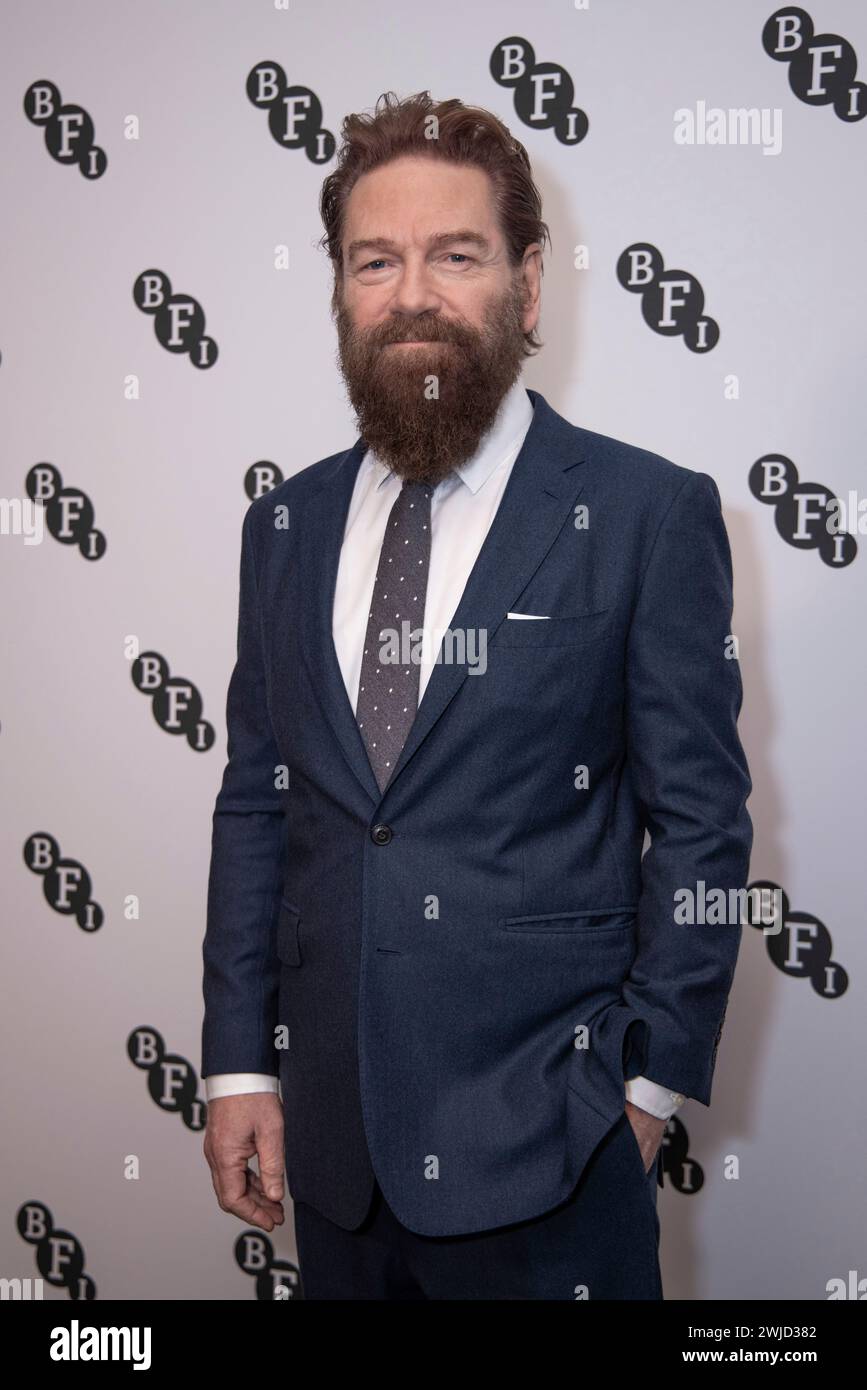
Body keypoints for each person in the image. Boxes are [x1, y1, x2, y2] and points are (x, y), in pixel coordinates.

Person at [201, 90, 753, 1300]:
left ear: (530, 283)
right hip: (337, 1169)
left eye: (456, 255)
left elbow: (704, 829)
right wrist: (240, 1064)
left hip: (555, 1160)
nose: (412, 295)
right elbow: (259, 803)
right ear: (341, 289)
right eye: (375, 260)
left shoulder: (647, 514)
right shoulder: (282, 527)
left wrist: (642, 1094)